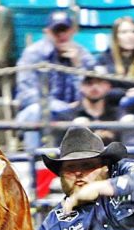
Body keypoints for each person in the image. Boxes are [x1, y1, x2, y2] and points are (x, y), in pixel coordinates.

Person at [13, 9, 97, 151]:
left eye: (65, 30)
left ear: (73, 31)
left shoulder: (82, 54)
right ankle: (33, 163)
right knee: (35, 111)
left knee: (84, 120)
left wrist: (78, 66)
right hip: (43, 112)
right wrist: (61, 107)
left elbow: (93, 90)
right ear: (47, 32)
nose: (61, 35)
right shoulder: (33, 54)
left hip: (75, 113)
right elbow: (27, 94)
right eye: (56, 31)